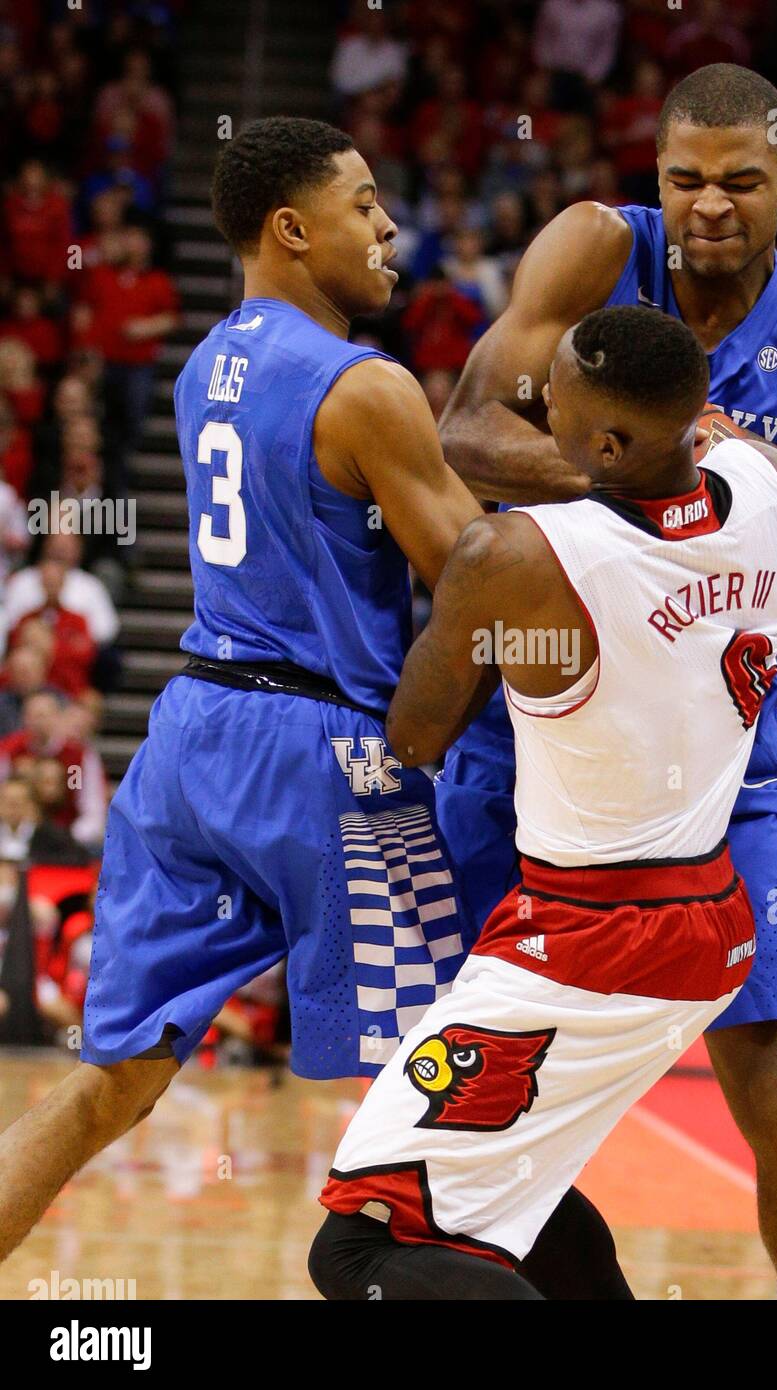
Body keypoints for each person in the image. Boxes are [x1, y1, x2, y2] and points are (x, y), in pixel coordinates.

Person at [436, 63, 777, 1299]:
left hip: (722, 756)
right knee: (498, 1081)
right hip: (536, 742)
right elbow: (468, 428)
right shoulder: (589, 248)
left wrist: (705, 537)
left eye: (741, 181)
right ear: (656, 176)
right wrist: (641, 485)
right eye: (686, 178)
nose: (709, 205)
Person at [0, 116, 485, 1264]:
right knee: (449, 1076)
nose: (388, 228)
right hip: (326, 750)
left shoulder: (201, 364)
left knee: (108, 1083)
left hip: (193, 734)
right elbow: (480, 583)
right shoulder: (365, 385)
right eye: (364, 204)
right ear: (291, 225)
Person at [308, 306, 777, 1299]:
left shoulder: (517, 553)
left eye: (551, 395)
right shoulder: (765, 488)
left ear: (604, 442)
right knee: (521, 1196)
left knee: (360, 1245)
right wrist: (726, 450)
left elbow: (415, 734)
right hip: (706, 926)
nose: (536, 403)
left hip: (586, 939)